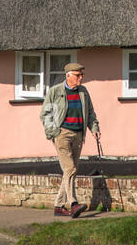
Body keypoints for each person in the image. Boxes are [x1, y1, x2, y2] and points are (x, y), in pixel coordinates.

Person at [40, 62, 101, 218]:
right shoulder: (55, 92)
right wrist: (54, 133)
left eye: (82, 75)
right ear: (68, 76)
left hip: (78, 135)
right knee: (70, 169)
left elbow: (90, 113)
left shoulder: (83, 92)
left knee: (69, 172)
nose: (81, 78)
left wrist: (94, 129)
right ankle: (73, 204)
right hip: (62, 134)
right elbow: (46, 114)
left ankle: (59, 206)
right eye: (78, 75)